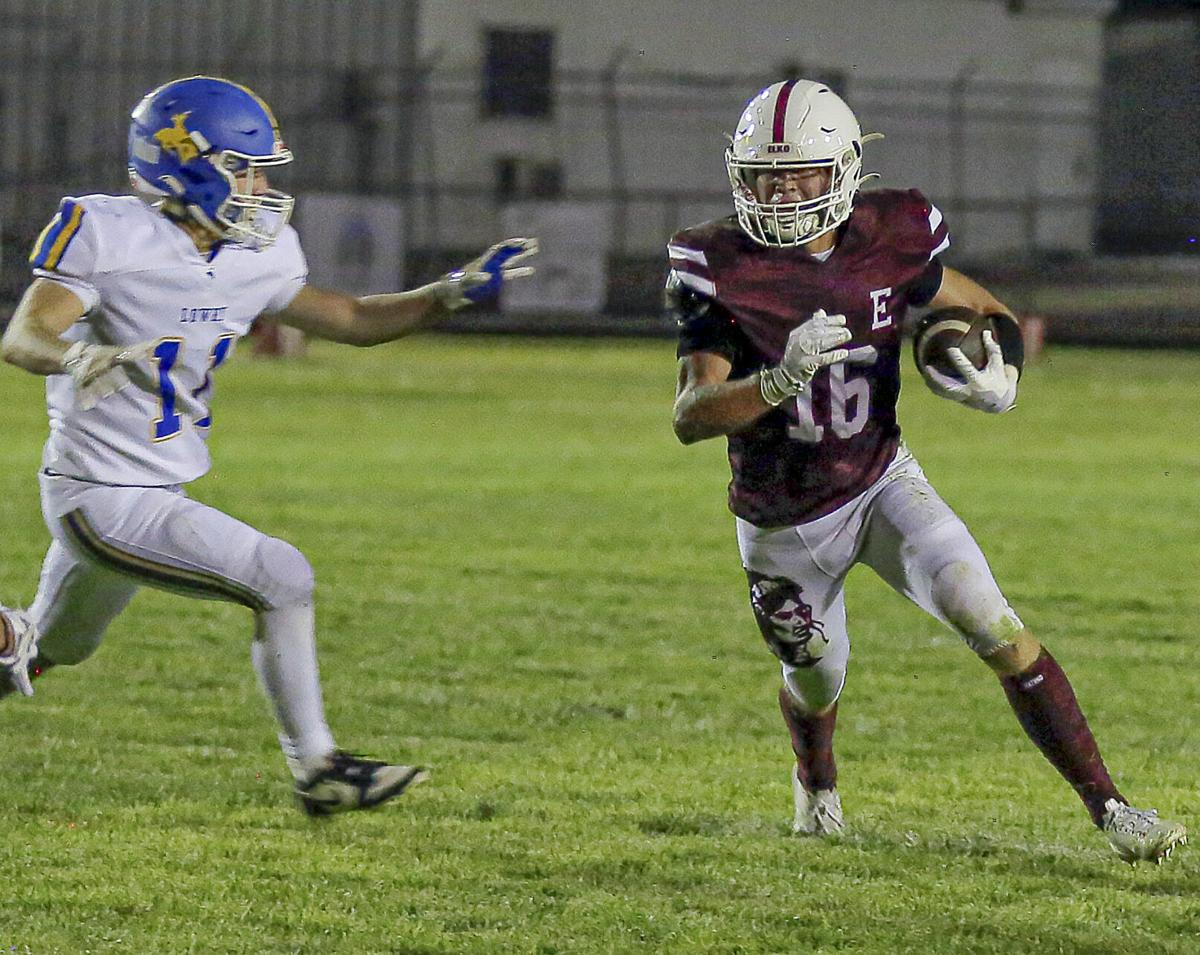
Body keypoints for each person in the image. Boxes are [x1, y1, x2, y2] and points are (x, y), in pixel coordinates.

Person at [667, 79, 1186, 864]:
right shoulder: (720, 263)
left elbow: (990, 314)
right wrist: (774, 382)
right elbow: (690, 415)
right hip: (781, 517)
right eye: (764, 176)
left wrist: (999, 374)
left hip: (881, 481)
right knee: (815, 675)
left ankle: (1112, 808)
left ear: (842, 170)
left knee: (995, 623)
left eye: (799, 173)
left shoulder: (891, 233)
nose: (778, 192)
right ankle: (816, 780)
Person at [0, 75, 537, 816]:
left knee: (42, 653)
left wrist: (443, 293)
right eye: (239, 167)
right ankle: (318, 767)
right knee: (280, 575)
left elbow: (348, 317)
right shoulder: (108, 231)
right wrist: (74, 358)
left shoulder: (256, 250)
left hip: (155, 488)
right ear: (182, 162)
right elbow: (24, 334)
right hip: (99, 496)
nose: (255, 185)